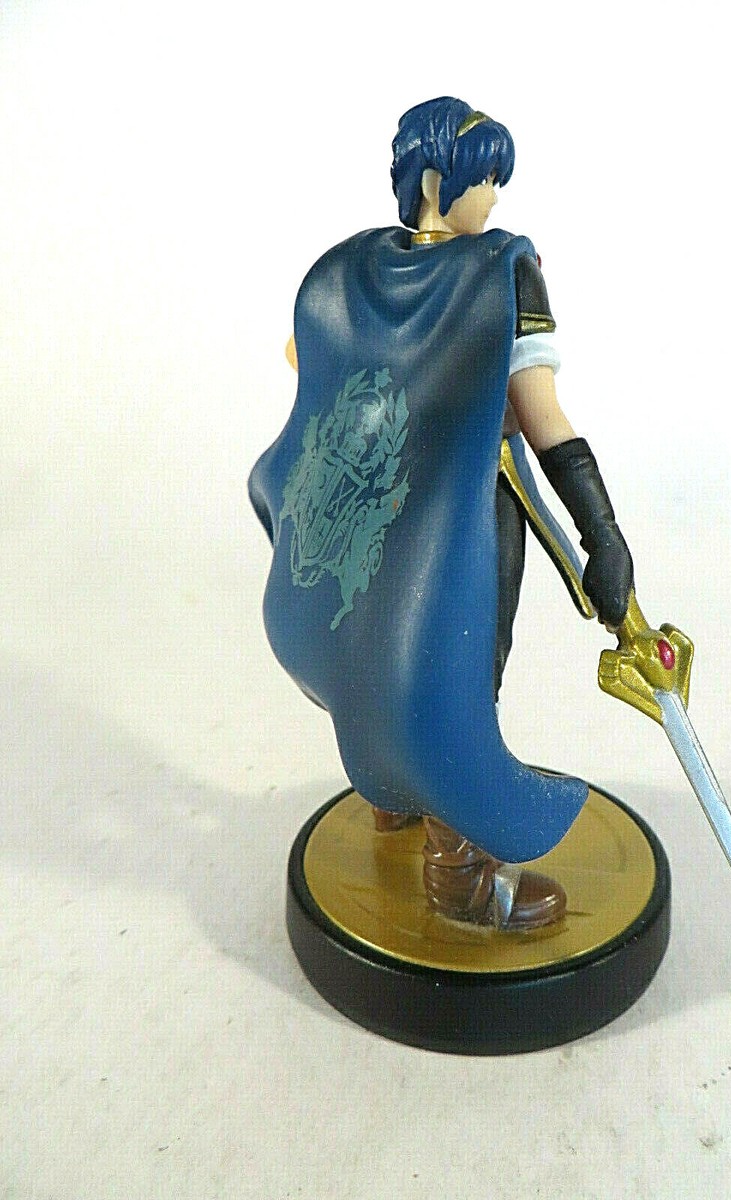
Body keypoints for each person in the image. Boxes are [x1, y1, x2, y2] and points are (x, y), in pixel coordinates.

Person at [249, 97, 634, 931]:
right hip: (460, 517)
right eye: (485, 177)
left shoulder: (351, 268)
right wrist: (602, 534)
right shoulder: (501, 273)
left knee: (372, 640)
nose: (494, 198)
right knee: (455, 674)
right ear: (436, 180)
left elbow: (304, 356)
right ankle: (457, 871)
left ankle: (390, 801)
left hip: (382, 508)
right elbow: (543, 416)